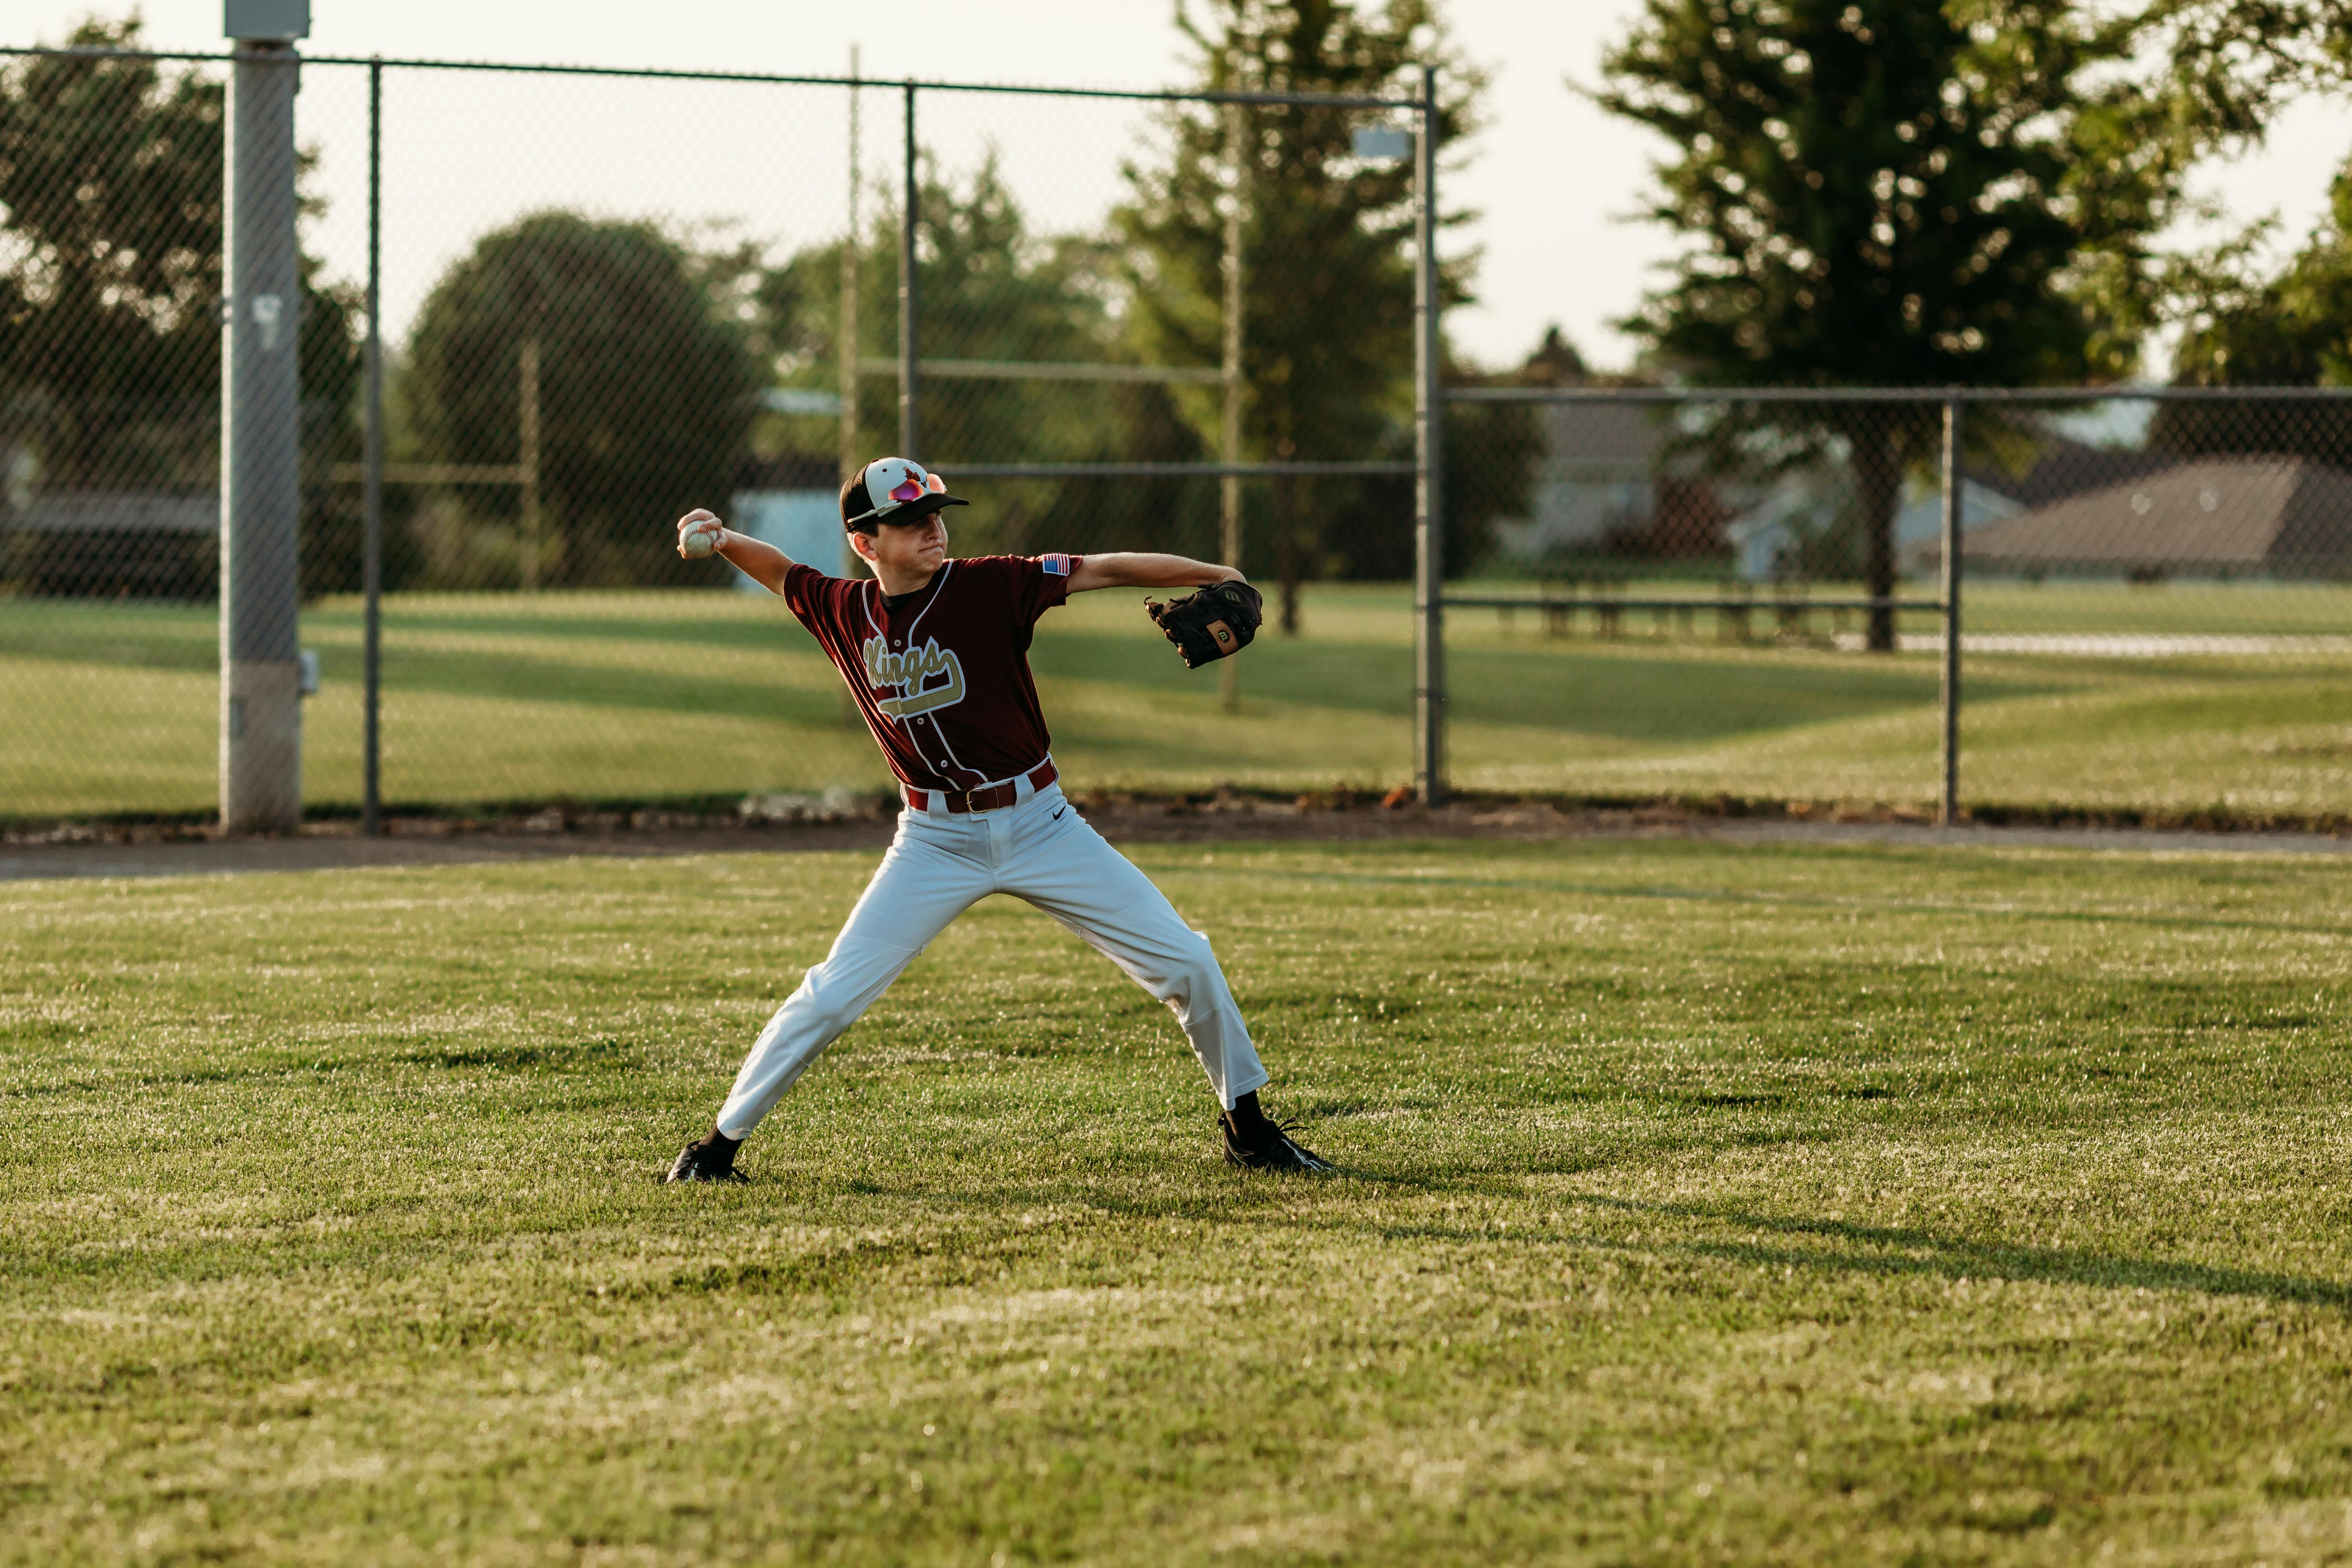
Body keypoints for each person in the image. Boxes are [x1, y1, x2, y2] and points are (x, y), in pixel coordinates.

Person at [662, 455, 1331, 1183]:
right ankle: (715, 1150)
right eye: (908, 523)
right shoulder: (840, 608)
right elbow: (780, 570)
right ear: (866, 543)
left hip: (1042, 823)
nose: (931, 530)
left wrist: (1219, 570)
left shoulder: (992, 585)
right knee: (830, 995)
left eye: (936, 516)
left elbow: (1105, 568)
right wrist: (723, 537)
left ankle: (1250, 1131)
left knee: (1188, 961)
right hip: (932, 842)